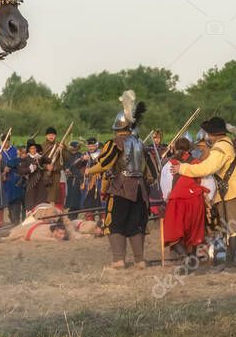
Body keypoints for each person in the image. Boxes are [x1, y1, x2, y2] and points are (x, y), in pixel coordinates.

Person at [85, 91, 153, 269]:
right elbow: (147, 169)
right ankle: (139, 260)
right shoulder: (139, 143)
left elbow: (105, 163)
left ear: (117, 128)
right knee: (135, 224)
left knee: (114, 223)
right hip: (139, 190)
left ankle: (118, 260)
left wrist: (89, 171)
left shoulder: (114, 143)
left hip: (121, 188)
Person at [175, 116, 236, 271]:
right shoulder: (228, 143)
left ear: (214, 134)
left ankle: (233, 263)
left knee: (231, 228)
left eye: (209, 134)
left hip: (232, 192)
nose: (207, 137)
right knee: (232, 227)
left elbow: (206, 168)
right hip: (233, 190)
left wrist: (182, 168)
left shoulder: (220, 148)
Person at [160, 137, 210, 263]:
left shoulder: (169, 165)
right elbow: (207, 182)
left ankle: (184, 256)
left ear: (175, 148)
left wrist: (168, 198)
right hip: (196, 200)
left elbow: (166, 189)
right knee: (194, 231)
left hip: (177, 201)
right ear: (189, 149)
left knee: (173, 231)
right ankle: (191, 258)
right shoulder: (197, 163)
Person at [39, 127, 66, 206]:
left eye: (53, 135)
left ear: (55, 136)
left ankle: (51, 217)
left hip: (56, 176)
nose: (51, 136)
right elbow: (38, 163)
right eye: (49, 135)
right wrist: (46, 167)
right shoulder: (41, 146)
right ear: (46, 136)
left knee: (52, 200)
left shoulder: (60, 145)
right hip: (44, 176)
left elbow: (66, 160)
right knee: (43, 199)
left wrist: (63, 150)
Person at [18, 140, 44, 210]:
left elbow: (48, 162)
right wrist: (30, 169)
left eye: (35, 148)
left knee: (40, 205)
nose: (33, 150)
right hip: (29, 183)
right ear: (29, 150)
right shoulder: (25, 159)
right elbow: (21, 171)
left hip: (40, 184)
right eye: (32, 148)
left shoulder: (40, 157)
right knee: (30, 205)